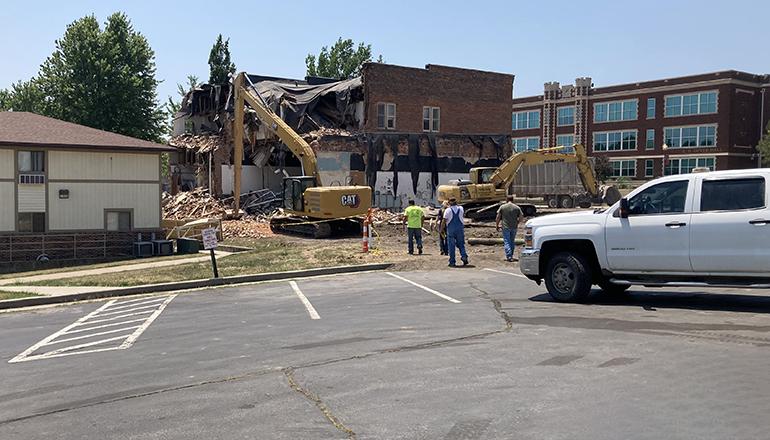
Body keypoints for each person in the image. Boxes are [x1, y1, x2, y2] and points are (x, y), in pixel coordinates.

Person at [496, 195, 523, 262]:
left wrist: (497, 225)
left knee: (507, 241)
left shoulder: (502, 207)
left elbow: (498, 217)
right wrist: (517, 222)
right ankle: (511, 255)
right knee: (512, 241)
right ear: (513, 200)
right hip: (514, 227)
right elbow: (521, 217)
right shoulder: (517, 207)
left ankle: (509, 256)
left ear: (506, 200)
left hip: (505, 227)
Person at [444, 198, 468, 267]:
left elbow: (444, 220)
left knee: (451, 246)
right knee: (461, 244)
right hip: (460, 229)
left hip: (451, 229)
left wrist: (441, 229)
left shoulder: (448, 210)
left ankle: (452, 262)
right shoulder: (461, 208)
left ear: (449, 203)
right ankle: (464, 256)